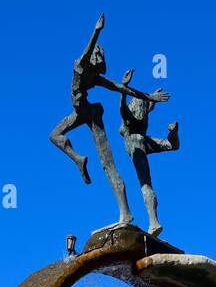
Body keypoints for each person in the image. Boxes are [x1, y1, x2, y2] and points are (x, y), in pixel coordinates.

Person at [49, 14, 169, 228]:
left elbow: (120, 87)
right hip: (86, 111)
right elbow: (119, 86)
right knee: (57, 137)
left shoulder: (82, 69)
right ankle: (79, 159)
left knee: (107, 163)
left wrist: (97, 31)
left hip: (87, 111)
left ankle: (125, 214)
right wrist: (97, 31)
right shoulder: (86, 71)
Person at [118, 70, 179, 237]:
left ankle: (153, 221)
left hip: (139, 142)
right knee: (147, 182)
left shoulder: (135, 114)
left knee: (145, 184)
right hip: (140, 143)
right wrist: (125, 88)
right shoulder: (134, 114)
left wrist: (126, 88)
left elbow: (132, 108)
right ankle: (153, 221)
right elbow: (124, 109)